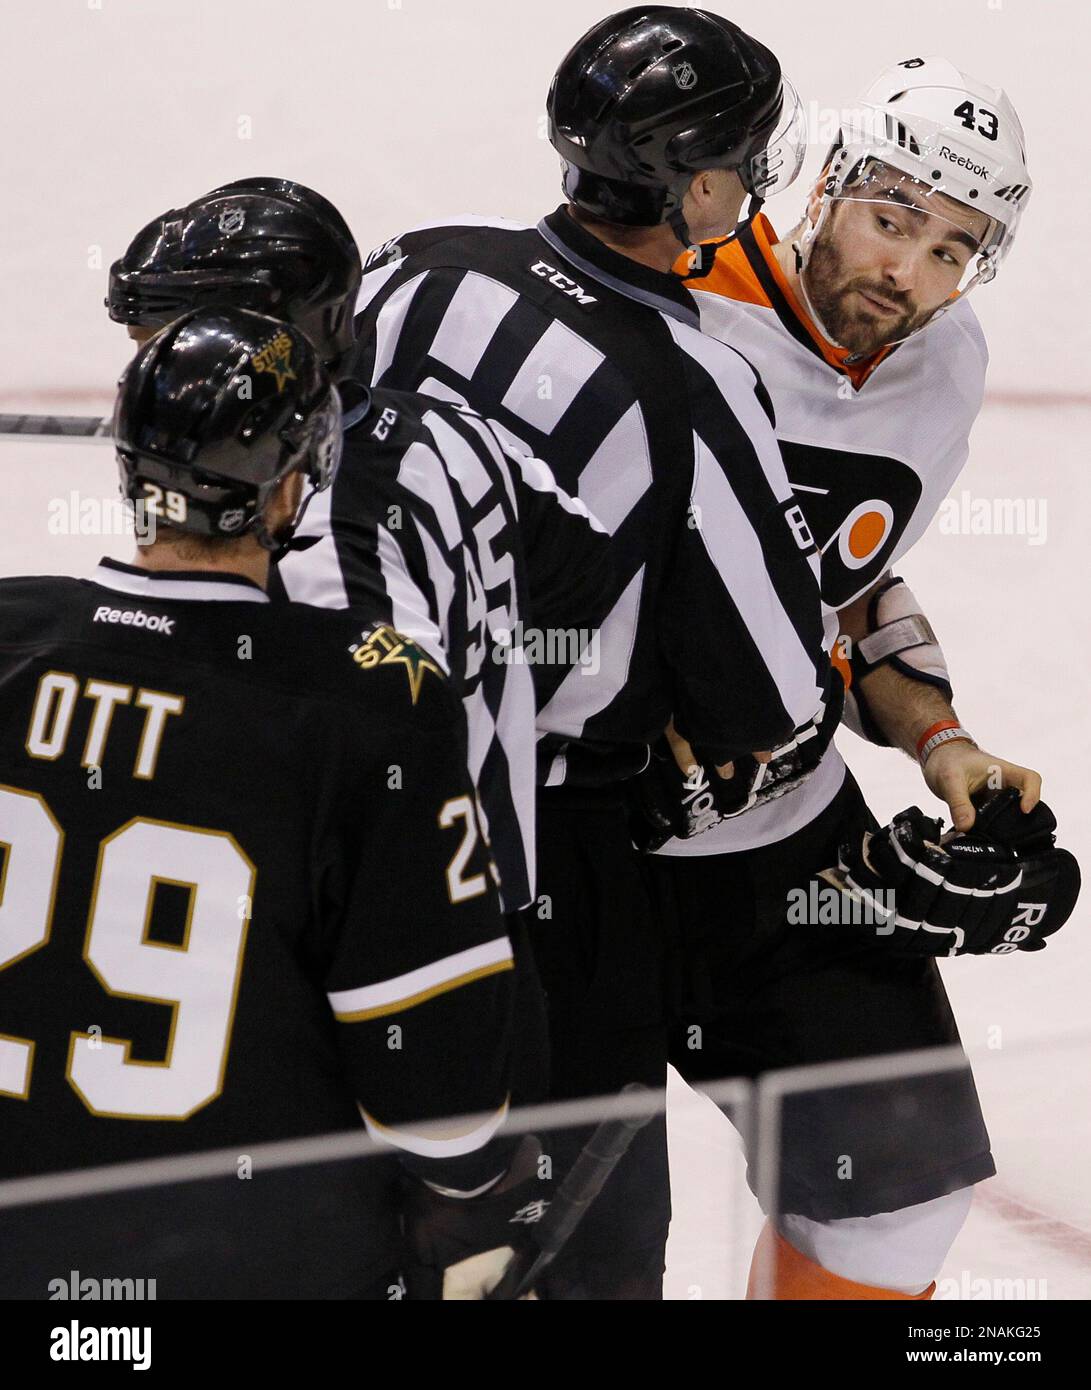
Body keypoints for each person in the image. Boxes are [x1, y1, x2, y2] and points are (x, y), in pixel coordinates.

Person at [348, 6, 830, 1298]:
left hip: (319, 785)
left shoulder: (413, 266)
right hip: (539, 855)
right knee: (577, 1248)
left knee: (349, 1200)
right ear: (706, 182)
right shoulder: (690, 379)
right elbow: (771, 699)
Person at [640, 57, 1074, 1299]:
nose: (907, 272)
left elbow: (842, 587)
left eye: (951, 249)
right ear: (820, 184)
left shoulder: (942, 368)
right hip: (576, 841)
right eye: (890, 220)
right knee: (537, 1227)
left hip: (774, 828)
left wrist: (941, 741)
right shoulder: (667, 300)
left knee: (896, 1190)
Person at [0, 308, 535, 1300]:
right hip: (243, 1263)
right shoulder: (369, 701)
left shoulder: (14, 631)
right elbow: (440, 1103)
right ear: (292, 485)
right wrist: (469, 1187)